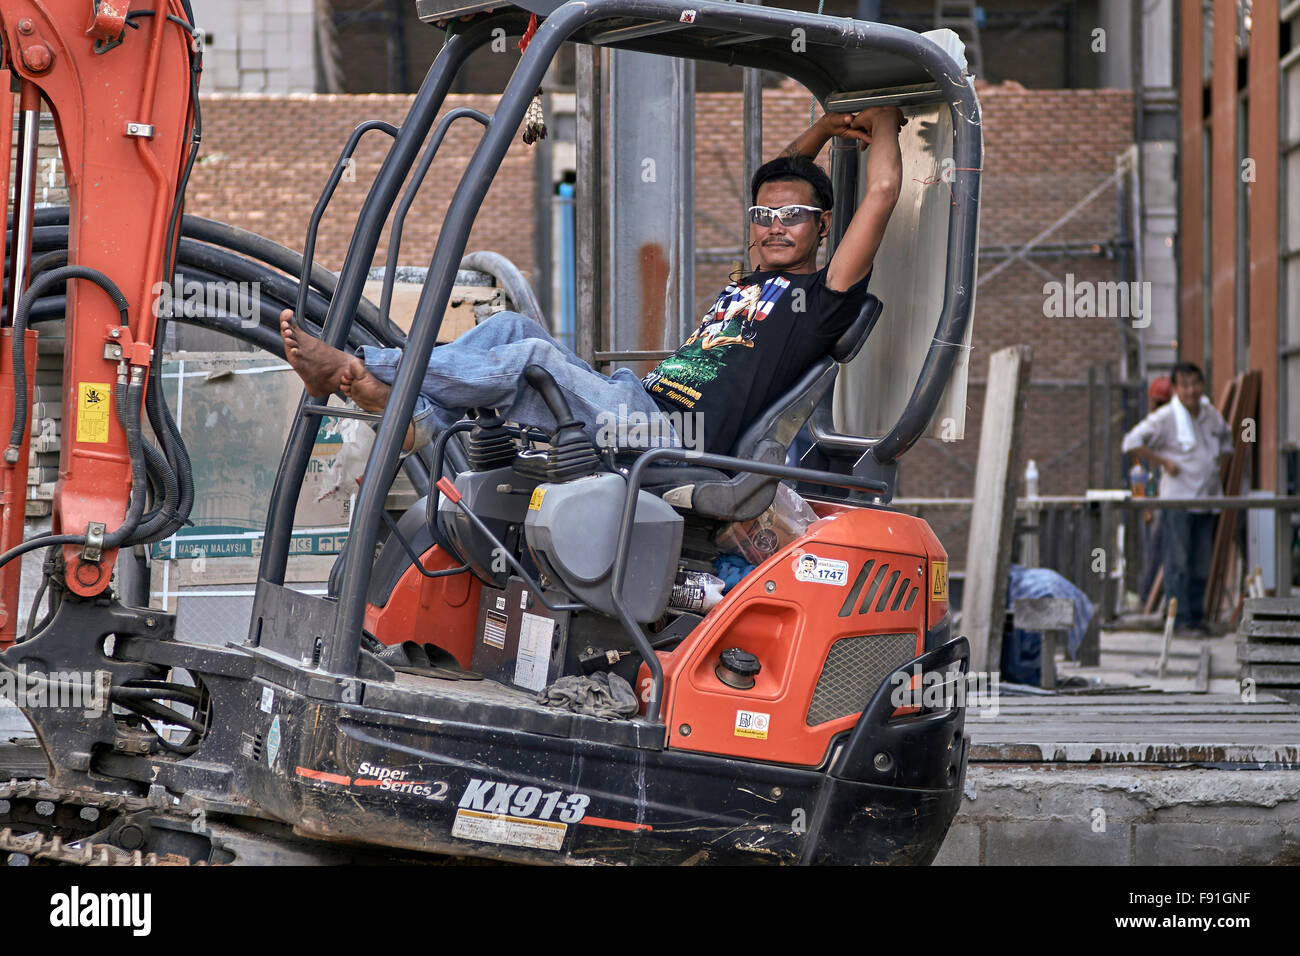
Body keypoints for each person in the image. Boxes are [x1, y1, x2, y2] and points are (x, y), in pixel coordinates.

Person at [278, 107, 906, 458]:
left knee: (530, 355)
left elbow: (880, 191)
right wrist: (822, 130)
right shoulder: (752, 282)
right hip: (637, 400)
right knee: (507, 326)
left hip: (670, 437)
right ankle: (406, 413)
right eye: (763, 217)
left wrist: (884, 123)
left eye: (793, 218)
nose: (775, 227)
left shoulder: (819, 301)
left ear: (823, 228)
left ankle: (361, 369)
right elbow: (779, 181)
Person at [1121, 363, 1233, 633]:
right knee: (1178, 562)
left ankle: (1196, 617)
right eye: (1185, 385)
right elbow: (1131, 442)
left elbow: (1228, 440)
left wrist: (1218, 467)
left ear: (1203, 385)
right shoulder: (1166, 417)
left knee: (1200, 563)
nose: (1191, 391)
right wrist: (1163, 462)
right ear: (1175, 389)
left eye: (1196, 384)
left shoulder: (1210, 414)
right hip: (1179, 501)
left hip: (1207, 500)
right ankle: (1179, 619)